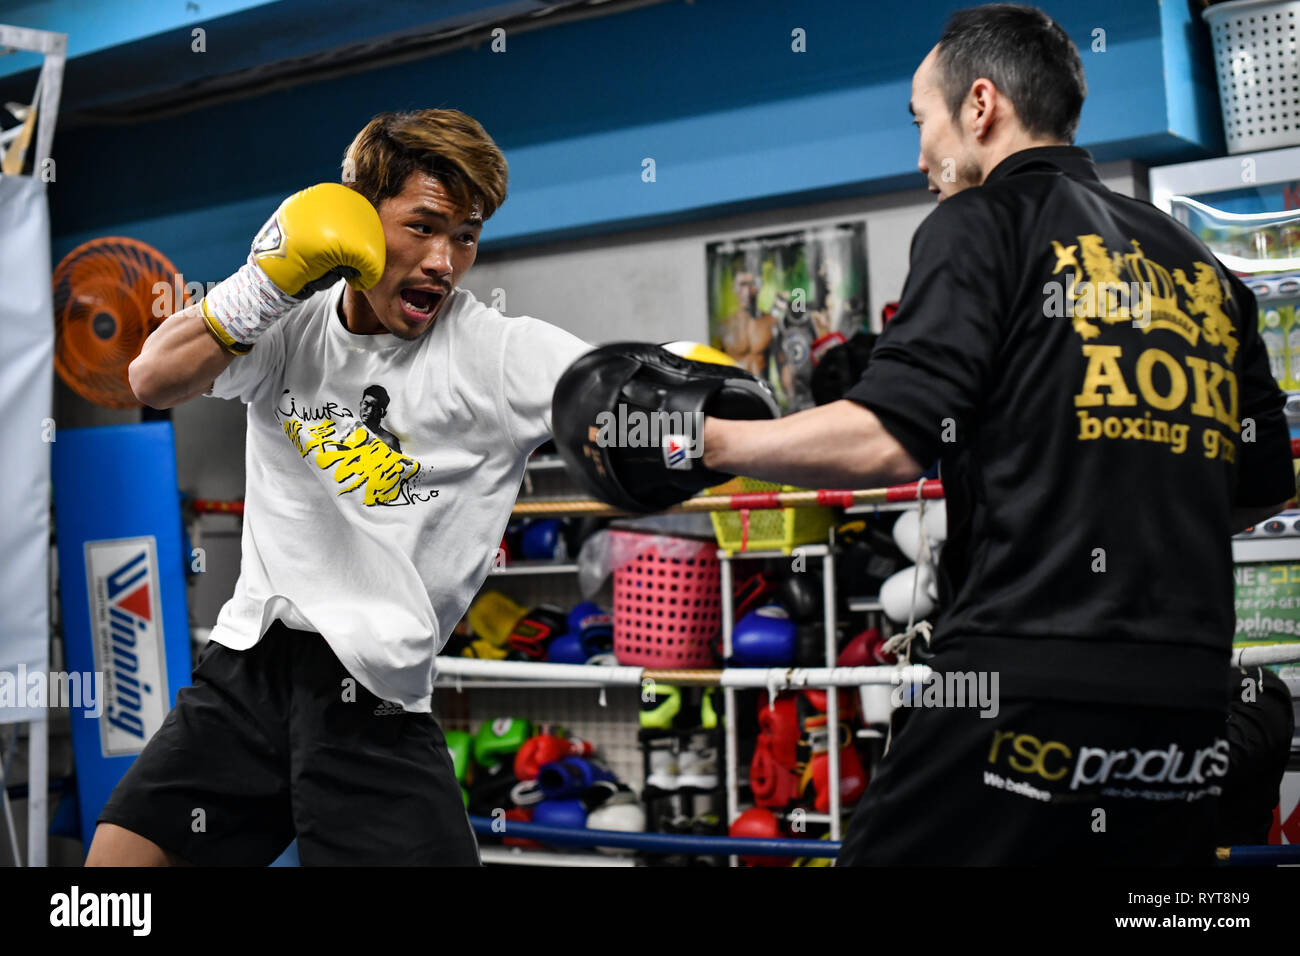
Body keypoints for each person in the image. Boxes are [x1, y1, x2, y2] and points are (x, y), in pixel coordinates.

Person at [553, 4, 1295, 864]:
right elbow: (1259, 486)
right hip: (1184, 700)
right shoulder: (1201, 267)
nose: (919, 157)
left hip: (1018, 683)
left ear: (979, 107)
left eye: (923, 121)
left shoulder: (982, 223)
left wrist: (698, 439)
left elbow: (888, 440)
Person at [88, 109, 591, 865]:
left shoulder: (492, 351)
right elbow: (150, 374)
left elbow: (612, 386)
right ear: (355, 220)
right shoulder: (288, 325)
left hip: (372, 695)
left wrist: (691, 398)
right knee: (115, 880)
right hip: (248, 667)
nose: (444, 261)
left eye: (465, 235)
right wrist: (266, 282)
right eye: (424, 226)